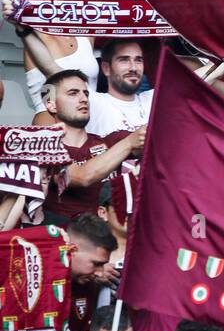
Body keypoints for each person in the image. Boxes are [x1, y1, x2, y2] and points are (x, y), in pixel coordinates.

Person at [36, 71, 144, 225]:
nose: (84, 99)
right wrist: (129, 143)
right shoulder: (45, 148)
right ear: (51, 105)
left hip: (108, 240)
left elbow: (153, 138)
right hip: (66, 241)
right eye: (73, 93)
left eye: (86, 93)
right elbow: (81, 177)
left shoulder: (110, 141)